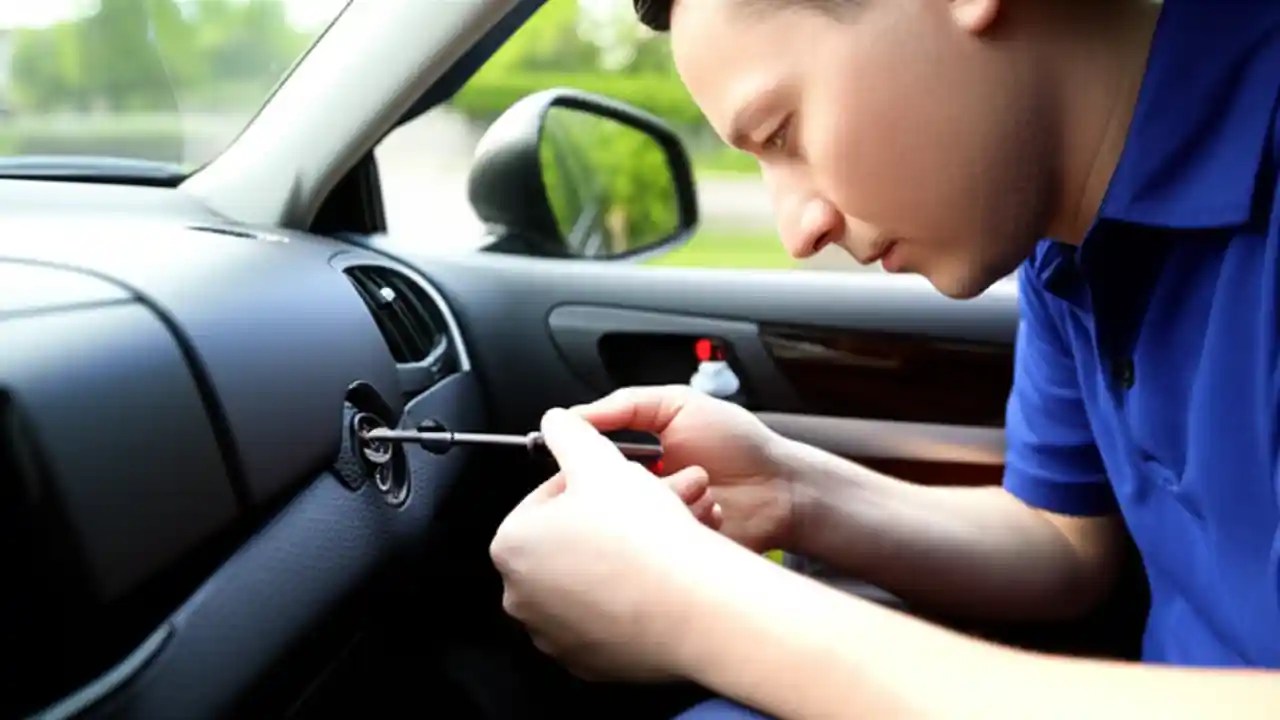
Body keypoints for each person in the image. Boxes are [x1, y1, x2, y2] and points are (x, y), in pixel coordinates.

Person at [488, 0, 1280, 716]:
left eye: (781, 132)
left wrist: (693, 610)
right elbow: (1065, 541)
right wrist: (792, 491)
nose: (798, 232)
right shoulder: (1059, 236)